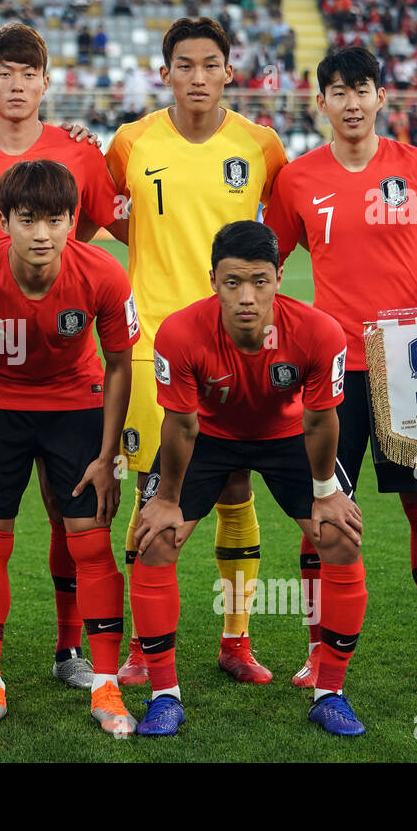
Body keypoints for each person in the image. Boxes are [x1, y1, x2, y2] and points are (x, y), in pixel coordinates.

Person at [266, 45, 417, 687]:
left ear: (381, 97)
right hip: (331, 372)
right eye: (338, 90)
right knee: (322, 512)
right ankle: (315, 653)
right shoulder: (298, 178)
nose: (352, 101)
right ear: (322, 102)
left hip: (408, 371)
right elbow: (270, 259)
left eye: (362, 89)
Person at [0, 21, 119, 689]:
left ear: (44, 83)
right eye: (2, 73)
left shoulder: (80, 152)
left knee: (72, 516)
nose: (15, 85)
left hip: (66, 368)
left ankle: (71, 650)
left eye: (26, 74)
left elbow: (90, 231)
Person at [105, 16, 288, 685]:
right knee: (155, 491)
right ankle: (140, 647)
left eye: (211, 64)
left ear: (229, 71)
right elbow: (100, 204)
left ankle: (235, 639)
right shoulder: (132, 141)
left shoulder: (260, 145)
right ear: (166, 73)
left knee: (237, 485)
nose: (198, 76)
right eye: (185, 64)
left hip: (237, 345)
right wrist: (143, 242)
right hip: (155, 340)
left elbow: (287, 221)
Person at [132, 220, 366, 736]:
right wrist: (168, 498)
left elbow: (321, 419)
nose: (246, 296)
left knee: (341, 539)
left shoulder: (318, 331)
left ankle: (331, 691)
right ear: (212, 278)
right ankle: (163, 695)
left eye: (260, 281)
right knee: (156, 541)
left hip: (286, 438)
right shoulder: (179, 331)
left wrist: (327, 493)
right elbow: (181, 423)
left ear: (280, 276)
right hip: (208, 439)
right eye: (233, 281)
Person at [0, 160, 138, 735]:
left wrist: (107, 457)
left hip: (76, 407)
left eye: (55, 219)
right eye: (27, 219)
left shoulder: (104, 274)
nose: (42, 234)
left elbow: (121, 363)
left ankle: (105, 687)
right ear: (3, 220)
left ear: (74, 221)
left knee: (91, 543)